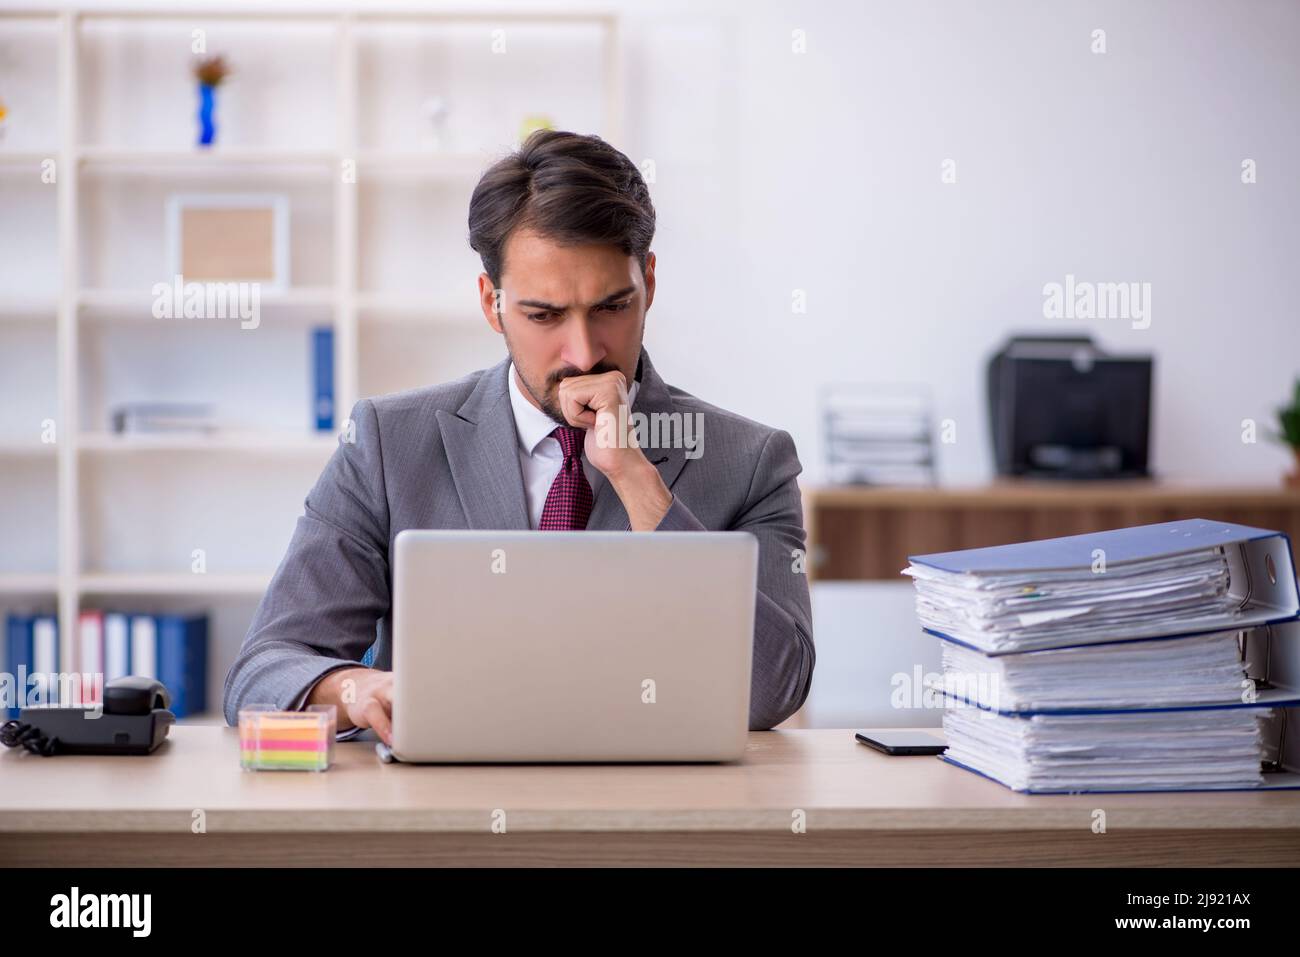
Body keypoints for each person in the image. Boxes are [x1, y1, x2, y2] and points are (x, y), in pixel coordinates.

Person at [222, 129, 814, 745]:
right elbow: (262, 674)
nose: (584, 353)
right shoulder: (386, 443)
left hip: (652, 820)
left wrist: (639, 483)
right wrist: (357, 687)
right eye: (544, 315)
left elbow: (773, 689)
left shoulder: (751, 462)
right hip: (447, 819)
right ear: (492, 303)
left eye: (612, 307)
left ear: (650, 285)